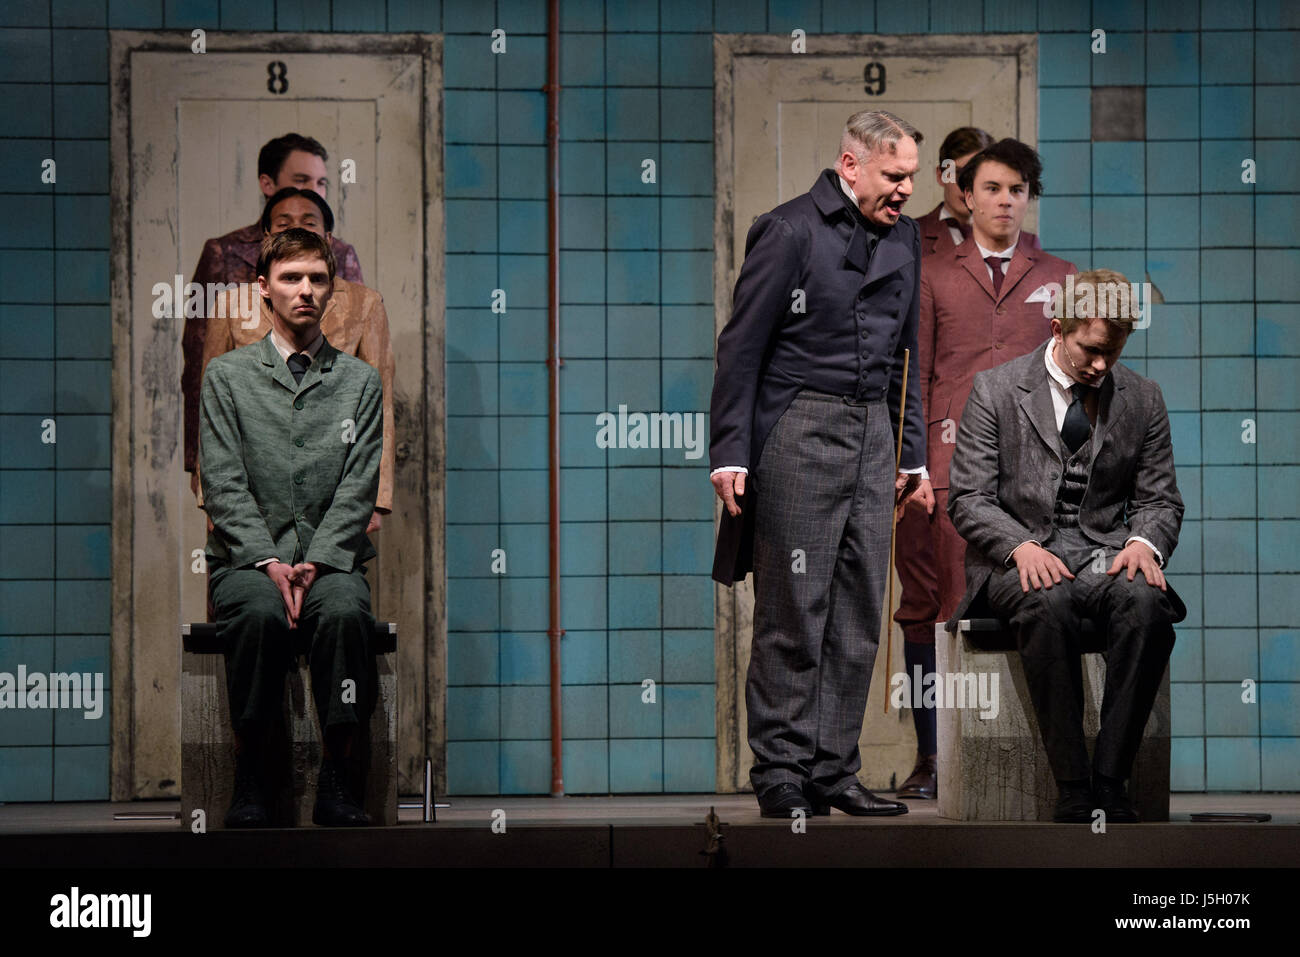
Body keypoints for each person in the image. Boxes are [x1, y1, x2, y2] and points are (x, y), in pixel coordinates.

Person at [710, 110, 926, 818]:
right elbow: (741, 349)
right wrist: (731, 451)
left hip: (872, 433)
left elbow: (908, 360)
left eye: (912, 178)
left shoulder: (909, 237)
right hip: (798, 425)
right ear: (851, 163)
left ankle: (833, 768)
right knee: (793, 609)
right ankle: (780, 767)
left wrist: (913, 454)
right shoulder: (789, 229)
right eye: (894, 177)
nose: (904, 191)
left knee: (859, 609)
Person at [946, 268, 1185, 823]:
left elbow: (1161, 499)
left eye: (1115, 352)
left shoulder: (1143, 399)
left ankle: (1110, 779)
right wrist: (1019, 547)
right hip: (1019, 560)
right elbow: (969, 498)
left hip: (1101, 555)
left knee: (1147, 602)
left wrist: (1143, 542)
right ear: (1058, 327)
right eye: (1092, 351)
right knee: (1046, 600)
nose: (1102, 366)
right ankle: (1074, 784)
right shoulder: (996, 389)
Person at [894, 138, 1076, 801]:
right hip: (948, 466)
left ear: (1030, 196)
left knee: (1045, 602)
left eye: (1018, 189)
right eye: (993, 188)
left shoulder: (1061, 275)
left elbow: (1080, 385)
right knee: (945, 609)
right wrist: (912, 463)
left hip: (1037, 474)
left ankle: (1041, 762)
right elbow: (913, 378)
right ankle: (939, 756)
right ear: (966, 195)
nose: (1005, 200)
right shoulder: (932, 273)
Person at [200, 228, 383, 827]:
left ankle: (337, 772)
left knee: (345, 613)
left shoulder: (359, 383)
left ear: (332, 290)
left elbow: (359, 485)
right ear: (263, 289)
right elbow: (222, 482)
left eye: (317, 279)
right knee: (255, 614)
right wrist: (269, 561)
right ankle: (252, 774)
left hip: (330, 562)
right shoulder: (227, 378)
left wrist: (323, 559)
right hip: (250, 561)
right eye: (290, 278)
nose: (305, 290)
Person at [199, 187, 395, 533]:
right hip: (251, 483)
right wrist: (209, 498)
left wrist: (377, 499)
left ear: (328, 238)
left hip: (334, 482)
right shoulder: (231, 304)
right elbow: (210, 403)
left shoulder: (364, 304)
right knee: (243, 582)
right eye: (283, 222)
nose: (296, 229)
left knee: (334, 581)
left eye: (309, 222)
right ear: (266, 236)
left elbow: (383, 406)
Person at [184, 133, 365, 496]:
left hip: (325, 442)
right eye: (301, 180)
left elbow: (358, 354)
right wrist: (201, 464)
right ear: (268, 184)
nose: (313, 189)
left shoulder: (340, 254)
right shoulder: (226, 252)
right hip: (248, 441)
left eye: (321, 182)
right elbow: (200, 364)